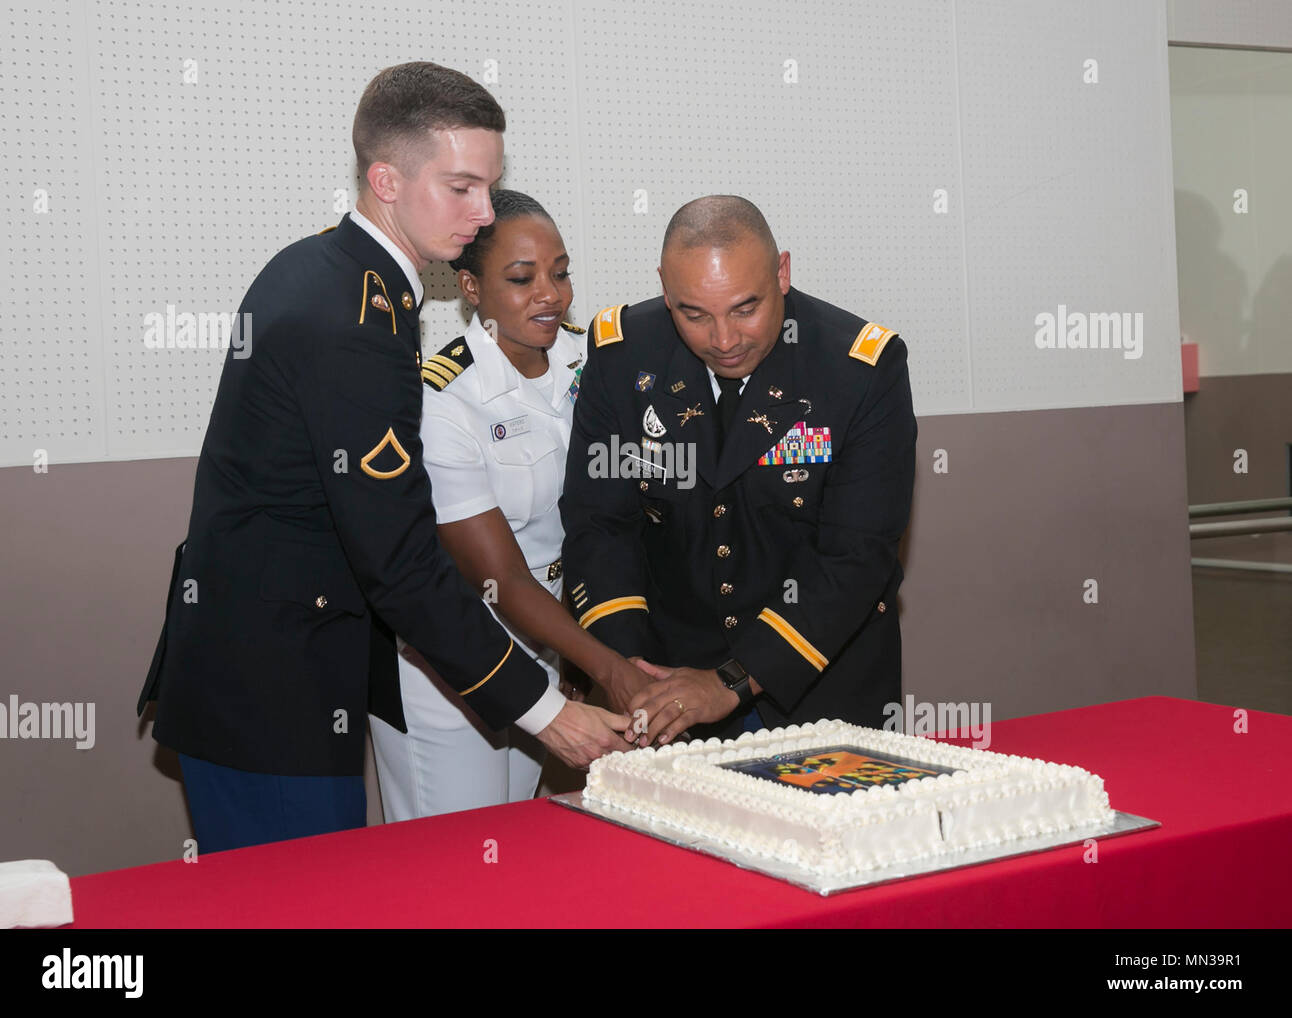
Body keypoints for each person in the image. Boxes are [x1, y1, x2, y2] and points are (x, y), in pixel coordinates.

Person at [136, 62, 628, 854]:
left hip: (279, 662)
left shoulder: (335, 271)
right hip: (270, 685)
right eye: (461, 187)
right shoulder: (350, 319)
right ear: (385, 179)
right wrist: (546, 712)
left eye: (491, 188)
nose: (483, 212)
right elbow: (399, 559)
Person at [560, 195, 916, 749]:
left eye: (746, 309)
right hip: (666, 691)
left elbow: (856, 556)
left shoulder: (858, 369)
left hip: (820, 690)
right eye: (693, 314)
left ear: (783, 272)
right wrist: (624, 668)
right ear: (663, 287)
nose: (723, 340)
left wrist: (732, 679)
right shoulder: (623, 354)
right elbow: (600, 523)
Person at [370, 190, 656, 819]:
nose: (550, 294)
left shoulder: (596, 362)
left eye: (561, 272)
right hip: (454, 660)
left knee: (515, 847)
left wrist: (588, 648)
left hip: (559, 644)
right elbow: (497, 575)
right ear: (470, 287)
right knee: (453, 863)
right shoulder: (445, 398)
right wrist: (605, 663)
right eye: (522, 278)